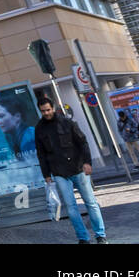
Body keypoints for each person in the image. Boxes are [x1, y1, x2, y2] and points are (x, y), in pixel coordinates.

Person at [35, 94, 107, 243]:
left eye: (48, 110)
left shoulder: (68, 123)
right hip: (59, 172)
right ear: (40, 111)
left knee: (91, 203)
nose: (46, 113)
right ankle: (83, 238)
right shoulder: (39, 129)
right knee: (71, 207)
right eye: (43, 111)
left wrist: (88, 162)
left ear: (53, 108)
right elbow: (41, 153)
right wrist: (46, 174)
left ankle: (100, 236)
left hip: (78, 168)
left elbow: (83, 143)